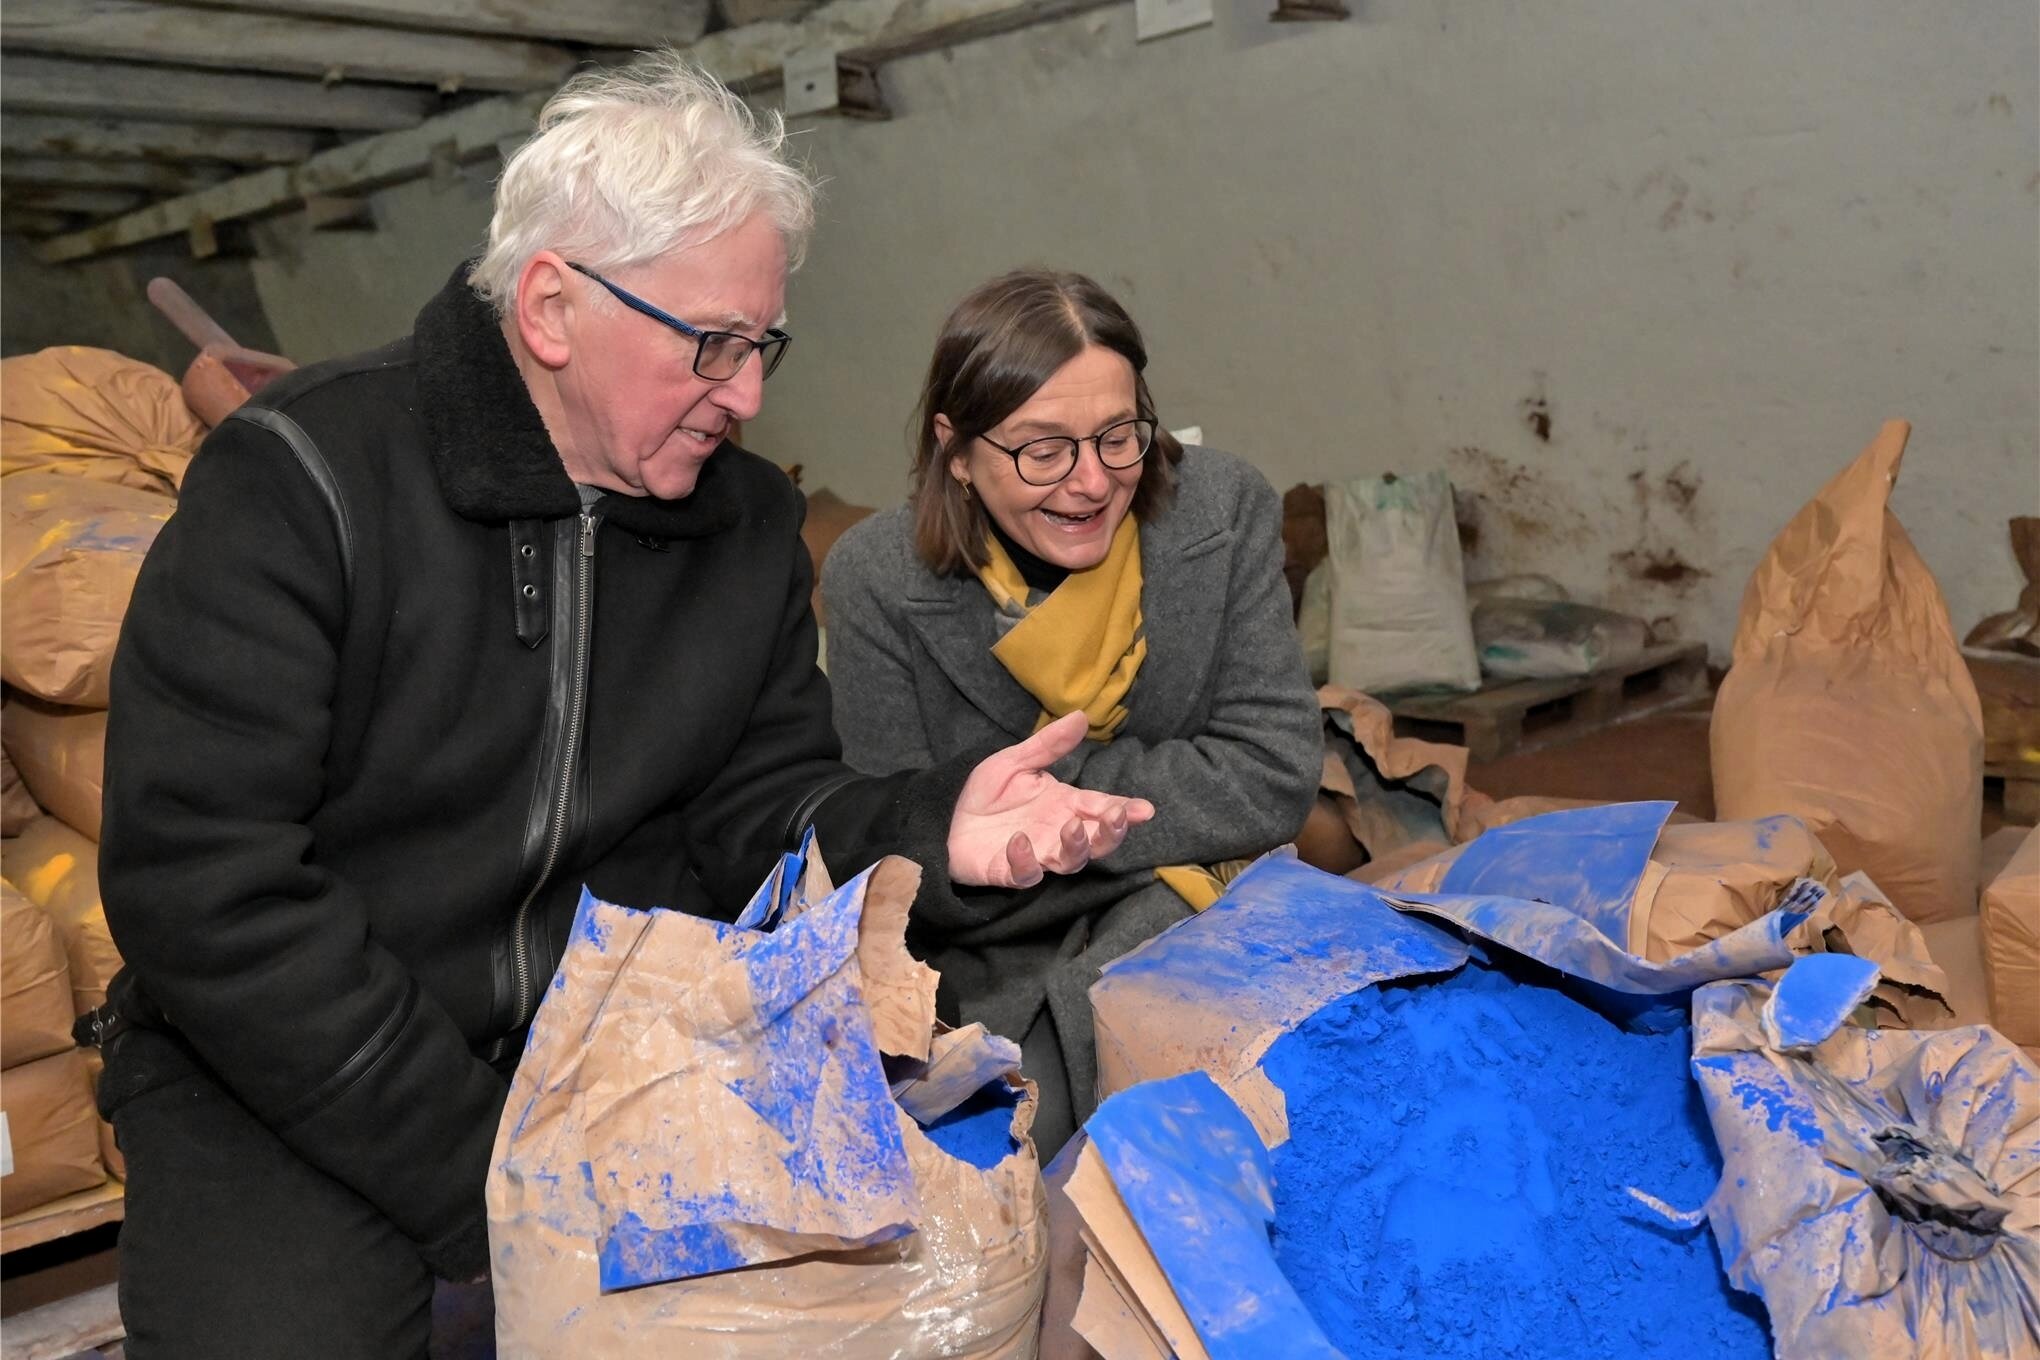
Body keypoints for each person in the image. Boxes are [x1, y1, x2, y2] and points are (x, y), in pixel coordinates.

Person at [92, 59, 1149, 1359]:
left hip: (618, 1054)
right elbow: (205, 884)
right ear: (551, 307)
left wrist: (941, 831)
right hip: (290, 1069)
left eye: (764, 346)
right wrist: (489, 1183)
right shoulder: (303, 482)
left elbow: (763, 819)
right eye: (711, 344)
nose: (750, 394)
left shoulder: (746, 530)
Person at [823, 269, 1323, 1152]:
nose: (1091, 484)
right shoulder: (876, 579)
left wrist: (1042, 806)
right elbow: (895, 866)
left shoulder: (1220, 511)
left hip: (1204, 912)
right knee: (999, 1163)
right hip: (991, 960)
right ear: (957, 449)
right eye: (1042, 450)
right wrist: (1164, 818)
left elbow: (1275, 775)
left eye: (1117, 437)